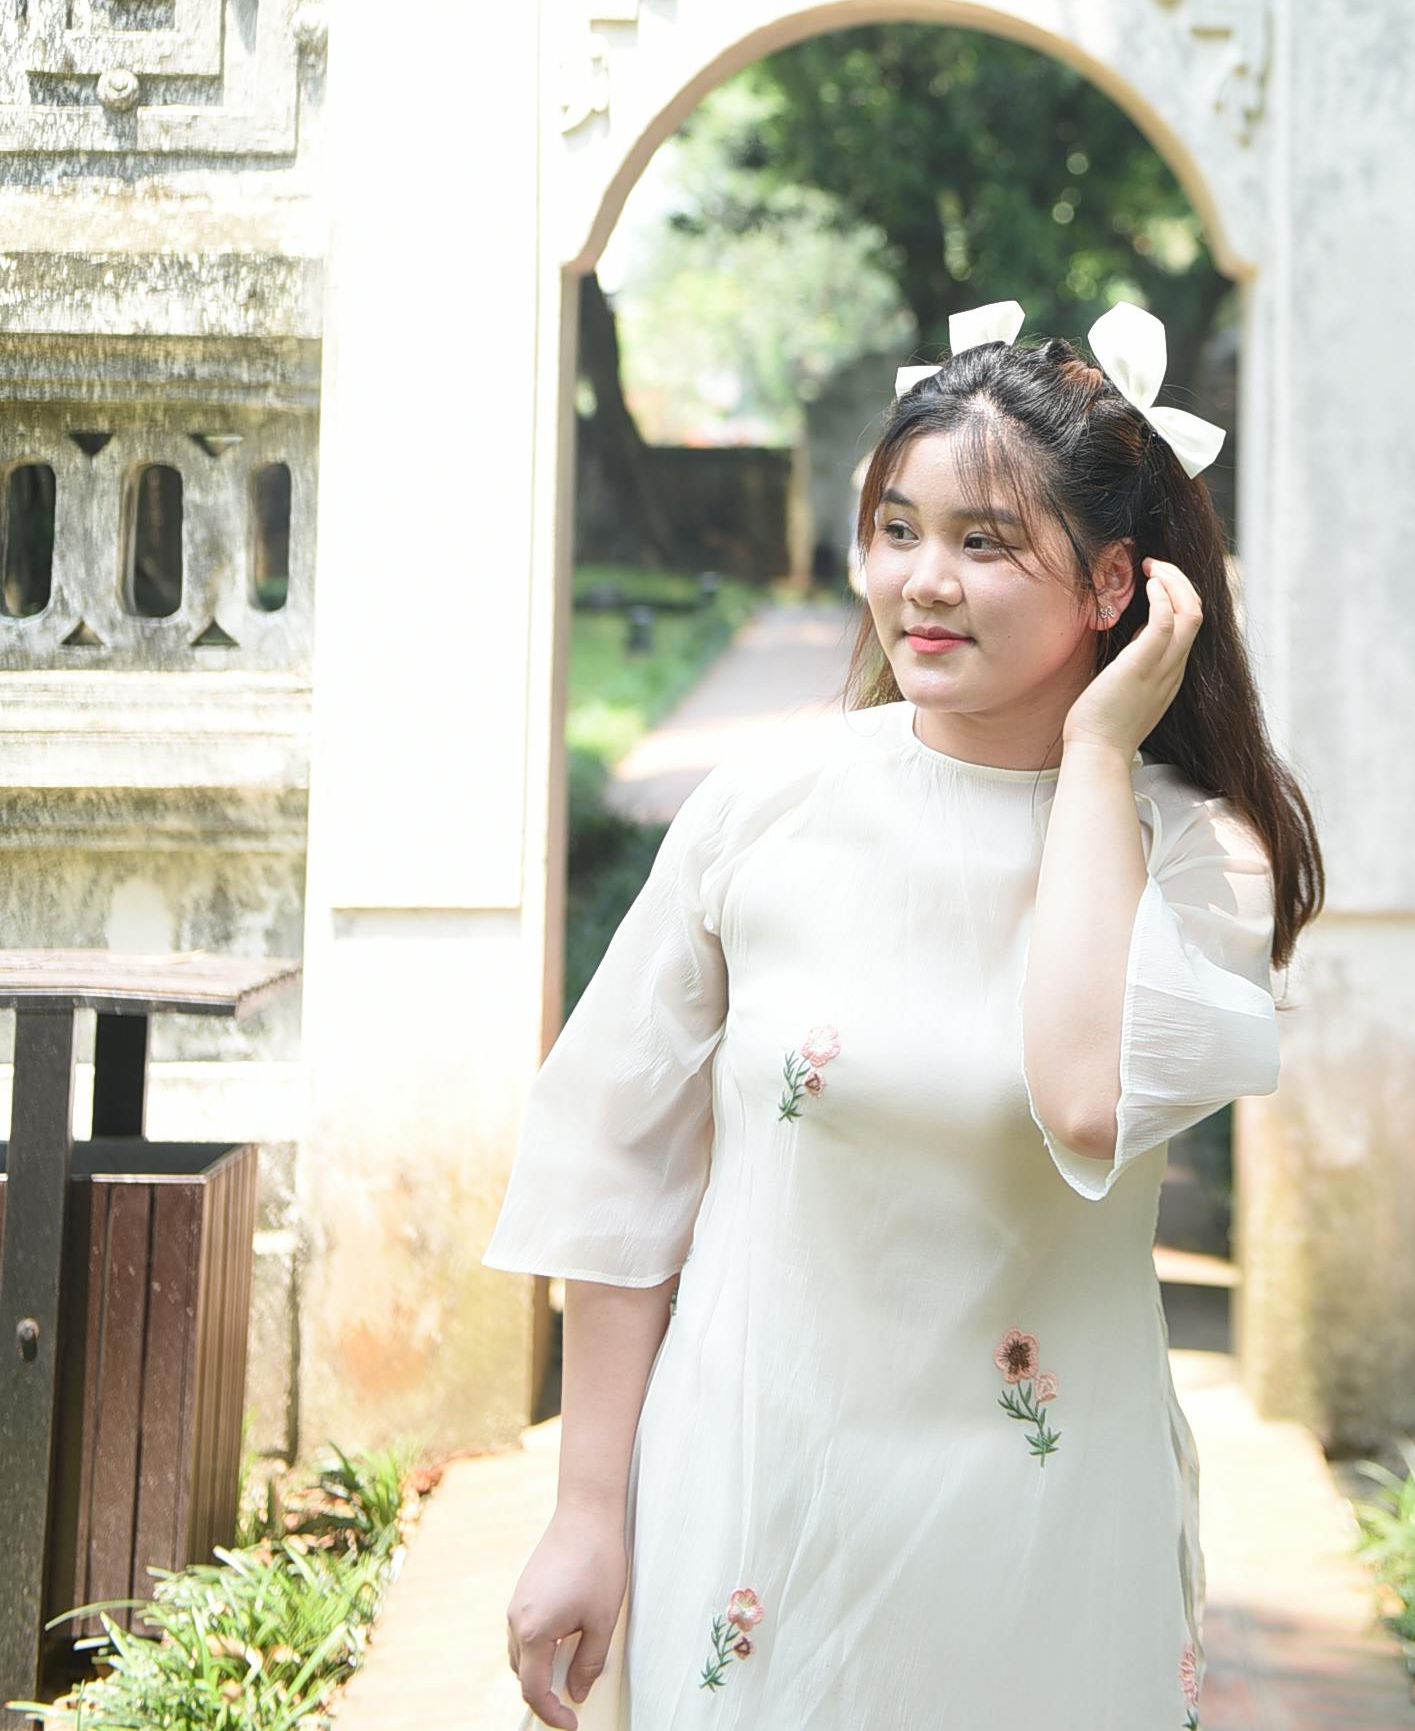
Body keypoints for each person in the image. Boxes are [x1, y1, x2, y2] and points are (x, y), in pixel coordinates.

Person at [485, 294, 1324, 1731]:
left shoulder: (1199, 857)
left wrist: (1100, 751)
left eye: (984, 543)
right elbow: (621, 1159)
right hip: (758, 1497)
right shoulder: (766, 807)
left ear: (1115, 587)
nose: (922, 582)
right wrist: (585, 1510)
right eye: (898, 529)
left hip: (1042, 1533)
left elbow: (1080, 1097)